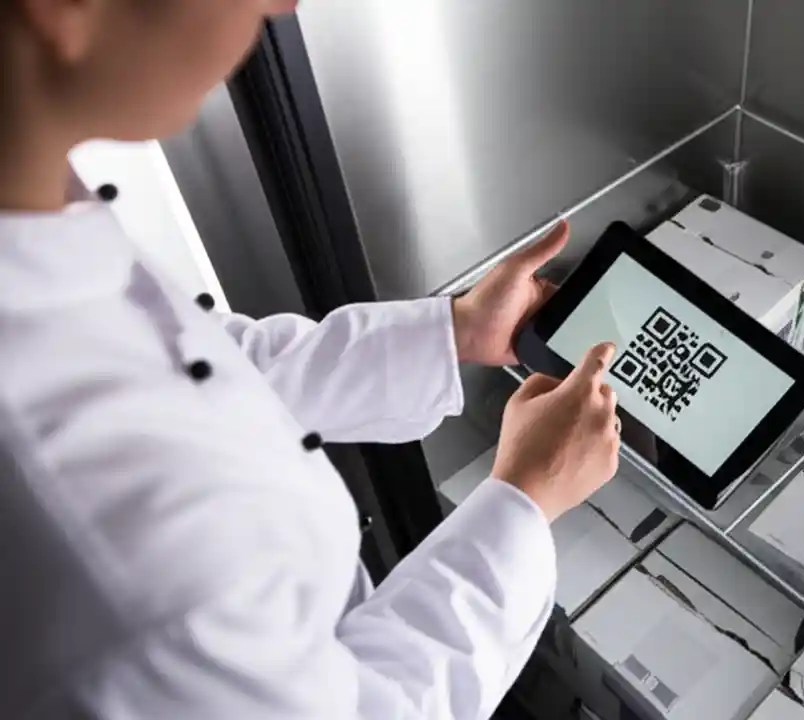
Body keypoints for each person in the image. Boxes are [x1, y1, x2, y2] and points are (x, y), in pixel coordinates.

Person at [0, 1, 622, 718]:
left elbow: (209, 368)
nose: (285, 5)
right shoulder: (126, 576)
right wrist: (524, 498)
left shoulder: (38, 213)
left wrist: (453, 332)